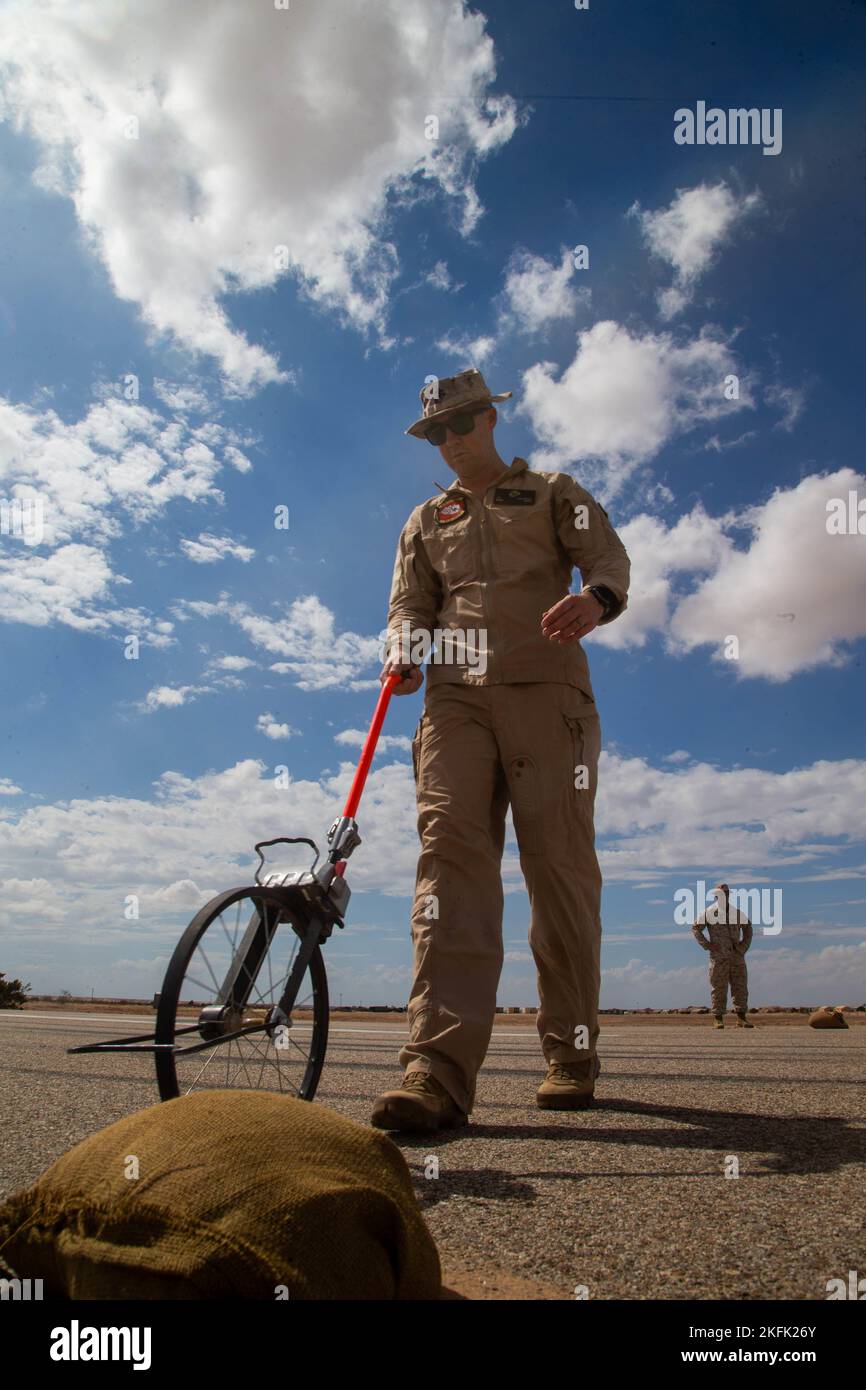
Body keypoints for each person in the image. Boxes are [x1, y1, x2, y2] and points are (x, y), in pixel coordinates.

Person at [370, 367, 631, 1133]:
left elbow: (608, 560)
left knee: (559, 870)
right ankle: (435, 1072)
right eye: (434, 434)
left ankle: (572, 1053)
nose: (448, 443)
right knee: (448, 860)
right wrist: (405, 650)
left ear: (489, 419)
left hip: (548, 695)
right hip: (455, 700)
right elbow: (410, 601)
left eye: (459, 425)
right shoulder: (426, 517)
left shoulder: (554, 491)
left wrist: (595, 600)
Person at [692, 883, 754, 1028]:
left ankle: (741, 1018)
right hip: (719, 957)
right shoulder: (708, 913)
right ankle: (718, 1018)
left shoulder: (737, 913)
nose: (724, 895)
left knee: (740, 987)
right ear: (715, 896)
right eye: (721, 893)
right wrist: (707, 945)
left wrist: (743, 947)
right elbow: (696, 928)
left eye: (726, 893)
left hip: (736, 956)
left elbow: (748, 929)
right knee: (719, 987)